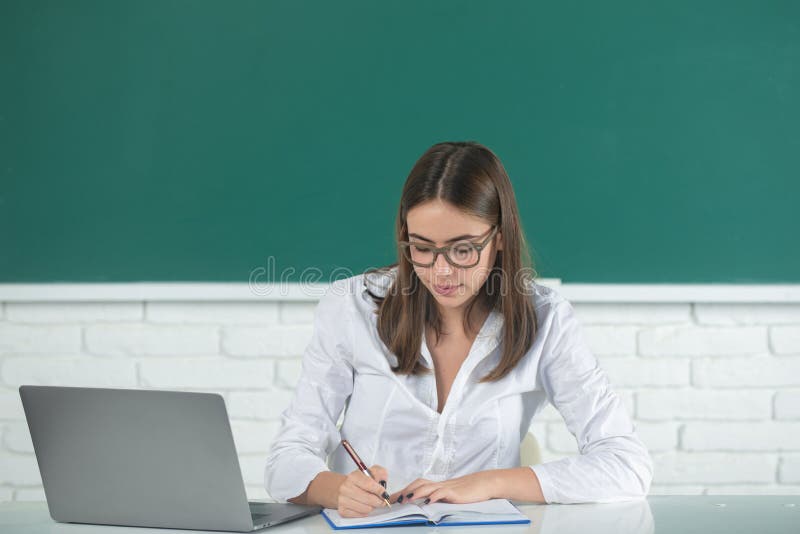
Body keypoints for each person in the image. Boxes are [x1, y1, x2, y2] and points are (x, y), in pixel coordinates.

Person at [265, 141, 652, 517]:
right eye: (422, 248)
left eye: (463, 249)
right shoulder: (352, 307)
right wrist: (338, 491)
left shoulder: (546, 319)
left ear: (499, 237)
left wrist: (489, 483)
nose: (442, 271)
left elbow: (626, 464)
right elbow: (286, 458)